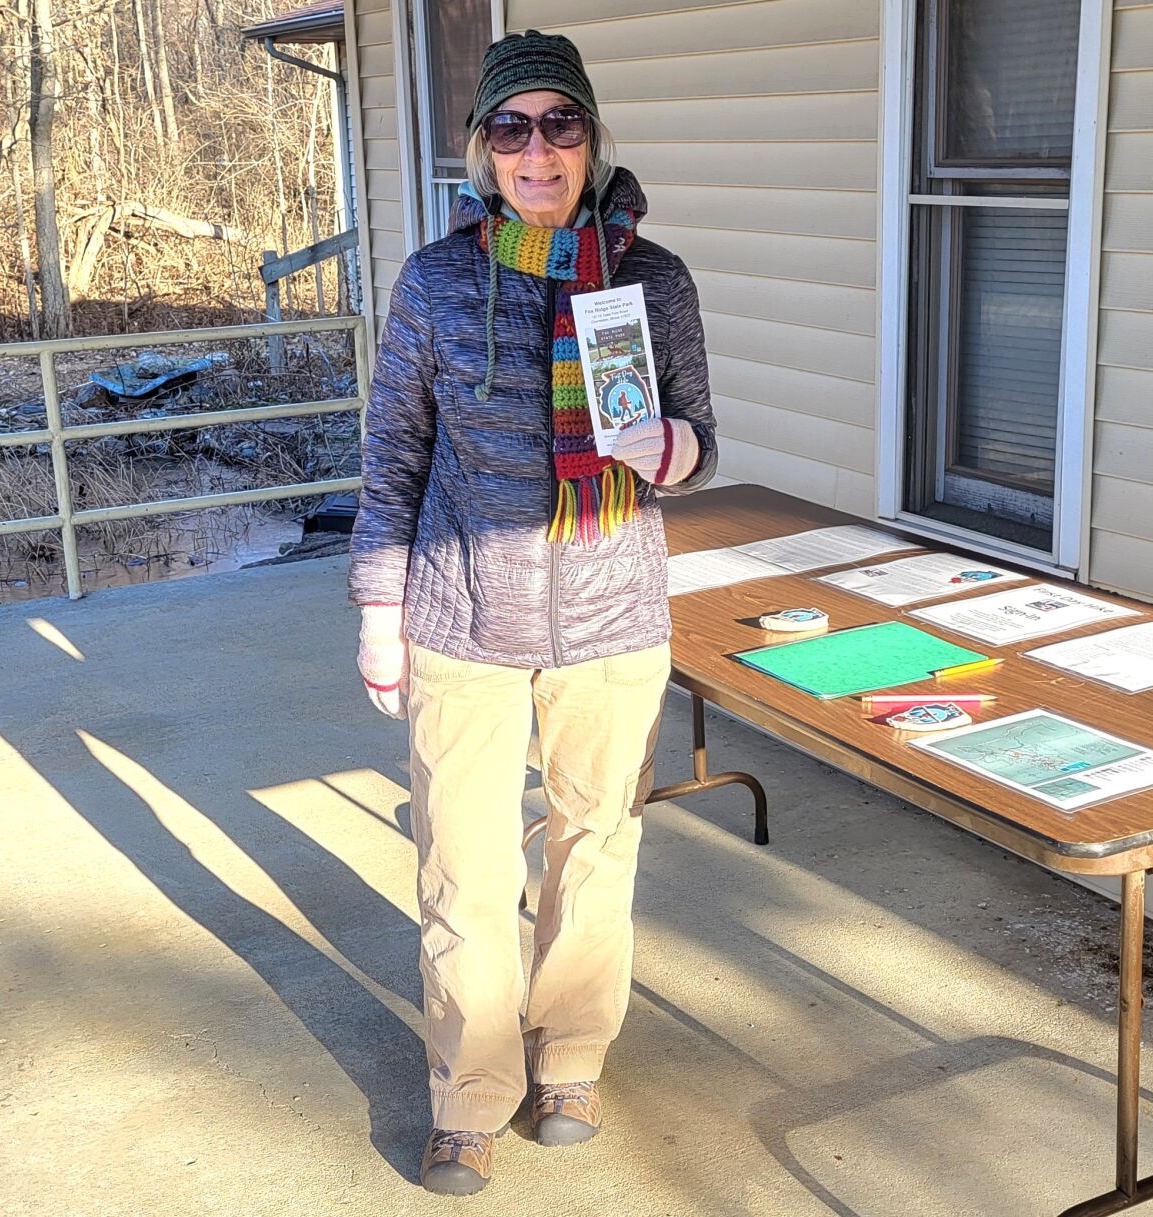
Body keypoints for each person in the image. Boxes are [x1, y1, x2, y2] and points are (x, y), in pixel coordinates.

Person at [348, 29, 717, 1196]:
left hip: (612, 616)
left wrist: (674, 446)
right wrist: (376, 607)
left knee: (594, 847)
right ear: (481, 152)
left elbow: (698, 434)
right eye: (511, 127)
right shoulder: (436, 281)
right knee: (461, 868)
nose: (537, 150)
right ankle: (468, 1093)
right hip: (463, 615)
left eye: (560, 125)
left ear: (590, 140)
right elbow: (392, 458)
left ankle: (570, 1058)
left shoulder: (650, 280)